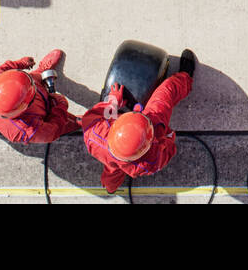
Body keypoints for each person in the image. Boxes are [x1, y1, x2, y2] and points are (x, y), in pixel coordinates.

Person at [80, 50, 196, 193]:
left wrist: (113, 102)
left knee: (112, 169)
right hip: (146, 140)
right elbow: (169, 150)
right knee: (167, 91)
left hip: (105, 153)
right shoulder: (149, 163)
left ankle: (110, 187)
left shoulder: (93, 135)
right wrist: (168, 137)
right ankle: (185, 77)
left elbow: (94, 115)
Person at [0, 49, 81, 143]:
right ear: (24, 106)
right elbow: (52, 132)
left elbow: (4, 68)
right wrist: (60, 107)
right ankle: (76, 122)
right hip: (42, 114)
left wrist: (21, 63)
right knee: (63, 123)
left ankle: (41, 71)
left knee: (34, 78)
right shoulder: (26, 129)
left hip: (28, 93)